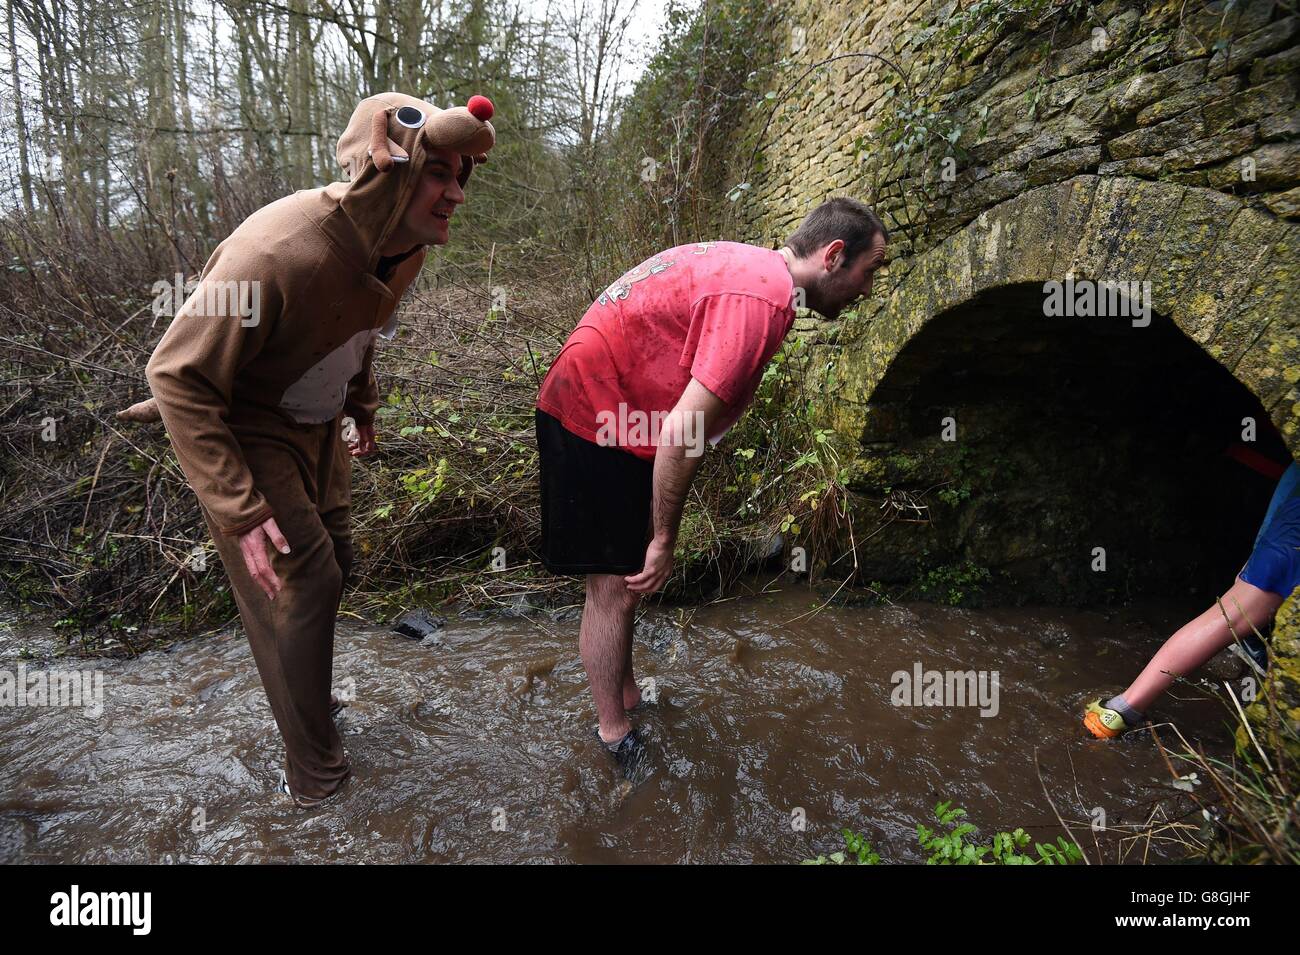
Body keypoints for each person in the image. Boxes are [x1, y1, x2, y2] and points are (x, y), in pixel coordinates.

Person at [122, 92, 496, 804]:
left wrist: (361, 405)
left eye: (462, 176)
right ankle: (316, 778)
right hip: (248, 422)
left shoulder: (407, 246)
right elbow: (175, 374)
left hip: (319, 426)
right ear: (386, 170)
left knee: (339, 565)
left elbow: (362, 326)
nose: (455, 193)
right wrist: (236, 507)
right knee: (308, 580)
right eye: (438, 173)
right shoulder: (276, 250)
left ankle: (310, 708)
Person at [534, 197, 889, 765]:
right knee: (614, 585)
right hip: (593, 410)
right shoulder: (760, 301)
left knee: (624, 579)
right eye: (870, 272)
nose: (868, 289)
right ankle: (613, 735)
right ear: (834, 255)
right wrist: (665, 539)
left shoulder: (761, 278)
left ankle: (625, 699)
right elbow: (682, 435)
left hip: (620, 409)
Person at [1085, 458, 1300, 738]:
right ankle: (1123, 709)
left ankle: (1119, 709)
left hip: (1287, 527)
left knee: (1231, 612)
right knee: (1236, 617)